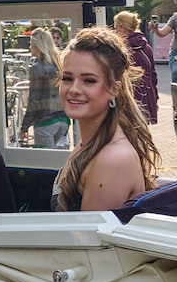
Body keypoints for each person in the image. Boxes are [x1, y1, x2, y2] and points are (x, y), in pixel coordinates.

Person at [51, 27, 160, 211]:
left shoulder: (112, 160)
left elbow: (88, 231)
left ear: (114, 89)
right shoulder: (92, 140)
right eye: (67, 78)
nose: (74, 89)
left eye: (89, 81)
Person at [18, 28, 69, 148]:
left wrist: (25, 126)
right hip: (63, 120)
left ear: (37, 45)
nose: (30, 47)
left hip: (45, 122)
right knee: (54, 156)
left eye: (31, 43)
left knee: (44, 158)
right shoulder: (58, 64)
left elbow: (34, 100)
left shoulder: (37, 68)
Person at [113, 10, 158, 123]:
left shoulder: (121, 49)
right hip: (146, 96)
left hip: (128, 98)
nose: (114, 30)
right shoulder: (146, 46)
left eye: (116, 27)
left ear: (123, 28)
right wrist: (155, 98)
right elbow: (153, 75)